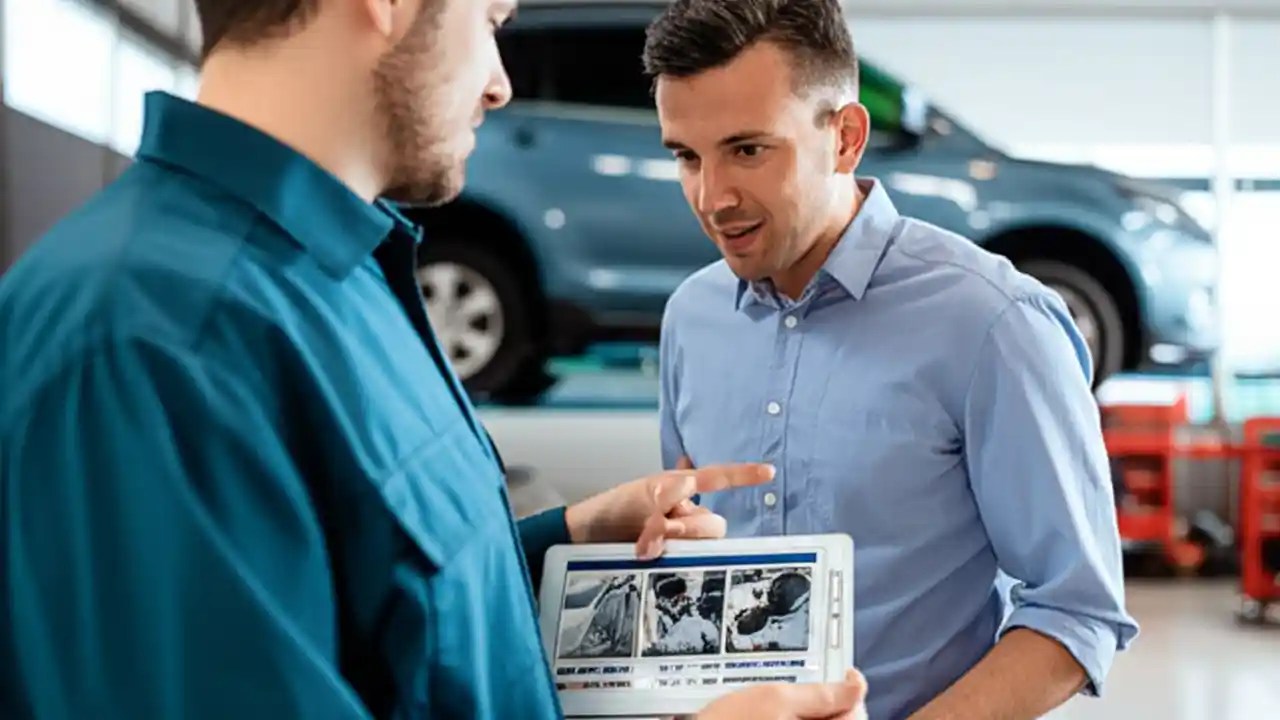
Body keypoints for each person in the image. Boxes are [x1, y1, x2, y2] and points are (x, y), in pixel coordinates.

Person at [0, 0, 869, 718]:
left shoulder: (337, 279)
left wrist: (562, 537)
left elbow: (378, 603)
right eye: (490, 19)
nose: (499, 83)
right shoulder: (152, 340)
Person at [644, 1, 1141, 718]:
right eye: (686, 157)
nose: (712, 197)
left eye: (749, 150)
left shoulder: (992, 322)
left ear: (845, 139)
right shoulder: (692, 319)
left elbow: (1076, 612)